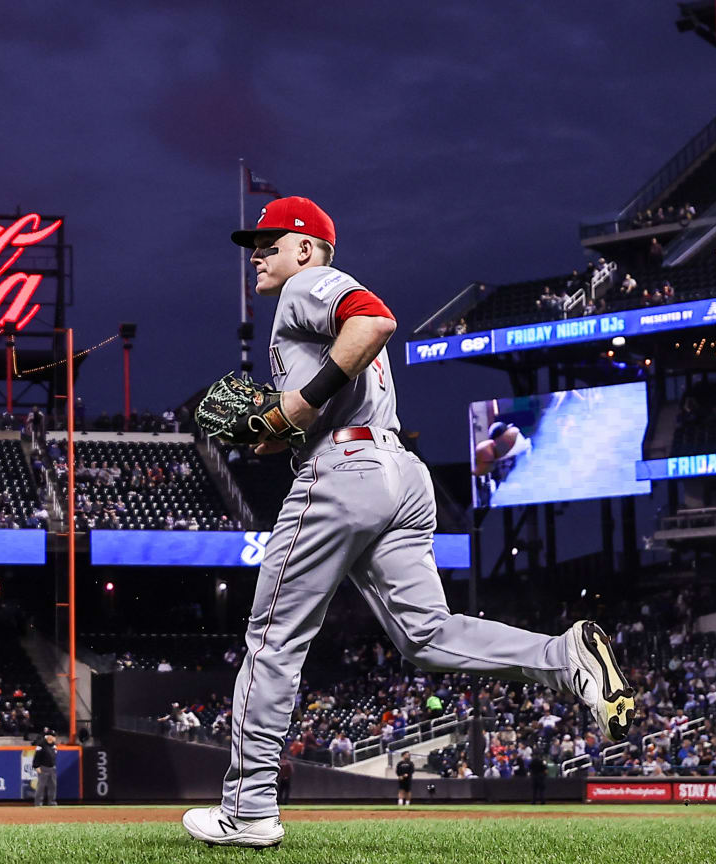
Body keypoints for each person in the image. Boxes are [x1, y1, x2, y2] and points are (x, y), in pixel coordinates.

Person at [182, 196, 636, 849]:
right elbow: (324, 396)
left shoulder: (307, 285)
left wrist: (298, 410)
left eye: (270, 241)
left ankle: (249, 809)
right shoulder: (310, 310)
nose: (257, 252)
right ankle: (564, 659)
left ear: (308, 249)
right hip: (396, 469)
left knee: (272, 640)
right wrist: (273, 429)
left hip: (344, 472)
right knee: (427, 635)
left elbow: (375, 322)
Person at [32, 728, 58, 806]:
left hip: (52, 768)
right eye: (51, 736)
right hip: (43, 768)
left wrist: (53, 766)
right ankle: (38, 802)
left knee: (53, 786)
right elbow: (37, 756)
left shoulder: (54, 746)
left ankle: (51, 801)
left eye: (53, 736)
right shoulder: (41, 744)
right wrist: (37, 766)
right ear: (48, 736)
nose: (52, 737)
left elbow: (53, 756)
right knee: (41, 786)